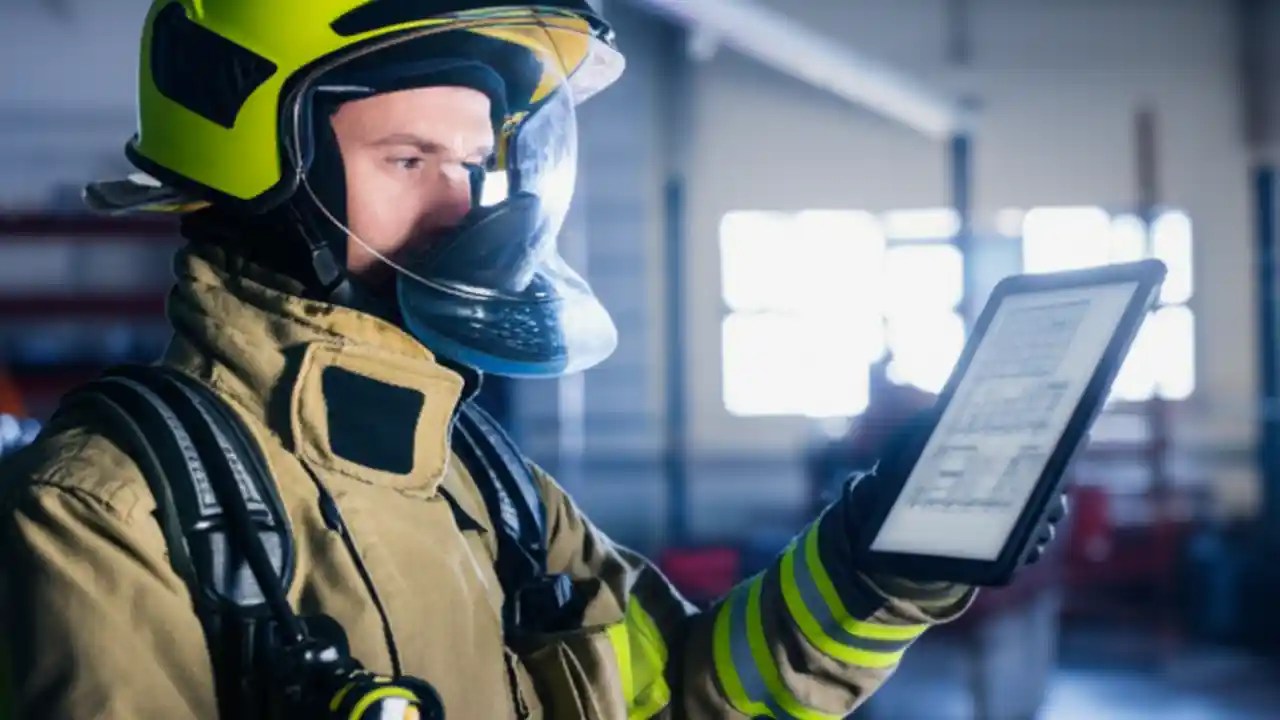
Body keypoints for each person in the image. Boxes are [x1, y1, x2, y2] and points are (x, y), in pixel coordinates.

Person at [0, 2, 1063, 718]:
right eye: (408, 159)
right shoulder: (110, 511)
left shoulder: (480, 476)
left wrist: (874, 569)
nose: (463, 205)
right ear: (260, 178)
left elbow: (688, 693)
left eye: (470, 161)